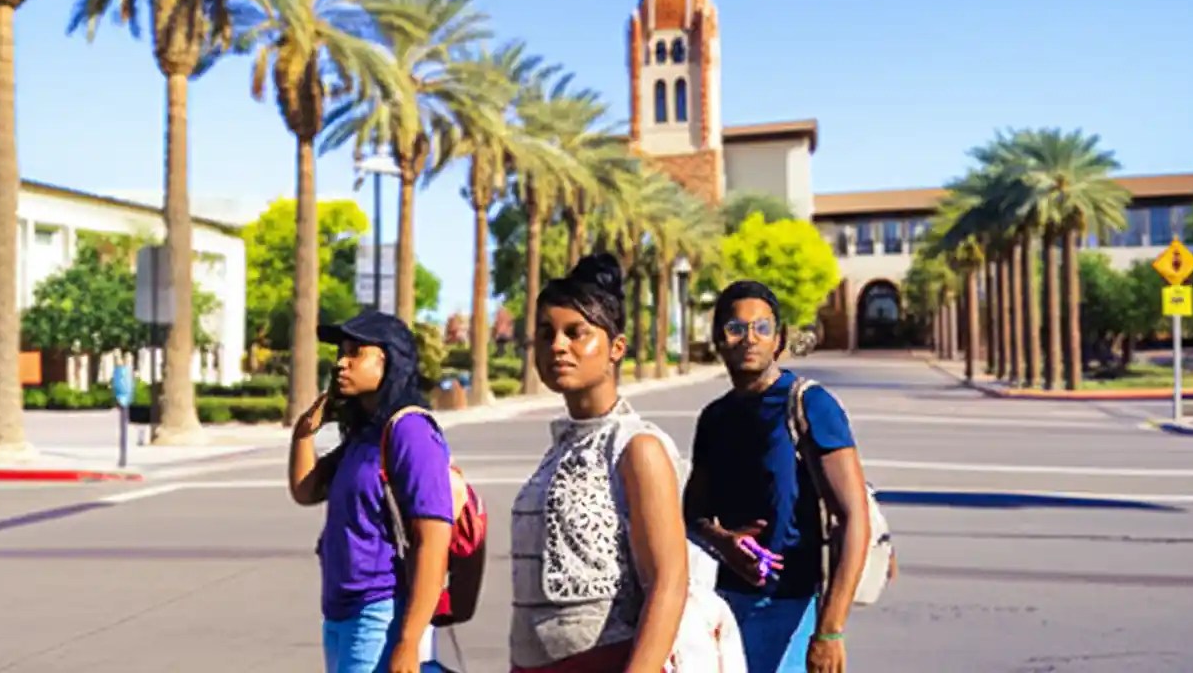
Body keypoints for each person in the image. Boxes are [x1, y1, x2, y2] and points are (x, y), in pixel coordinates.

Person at [510, 253, 739, 672]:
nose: (558, 345)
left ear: (616, 348)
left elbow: (668, 582)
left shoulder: (637, 447)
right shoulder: (557, 452)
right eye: (546, 334)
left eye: (576, 333)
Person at [683, 281, 872, 673]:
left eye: (762, 328)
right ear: (719, 339)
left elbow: (853, 518)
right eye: (736, 328)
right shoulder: (715, 418)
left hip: (792, 606)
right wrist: (723, 541)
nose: (749, 338)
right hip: (726, 606)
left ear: (779, 339)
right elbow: (692, 515)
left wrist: (830, 631)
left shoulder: (809, 404)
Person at [287, 310, 453, 673]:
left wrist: (409, 641)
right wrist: (305, 432)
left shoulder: (410, 431)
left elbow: (434, 539)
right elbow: (306, 489)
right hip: (340, 609)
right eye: (340, 352)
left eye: (355, 352)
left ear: (388, 360)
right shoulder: (365, 434)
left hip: (381, 610)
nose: (341, 363)